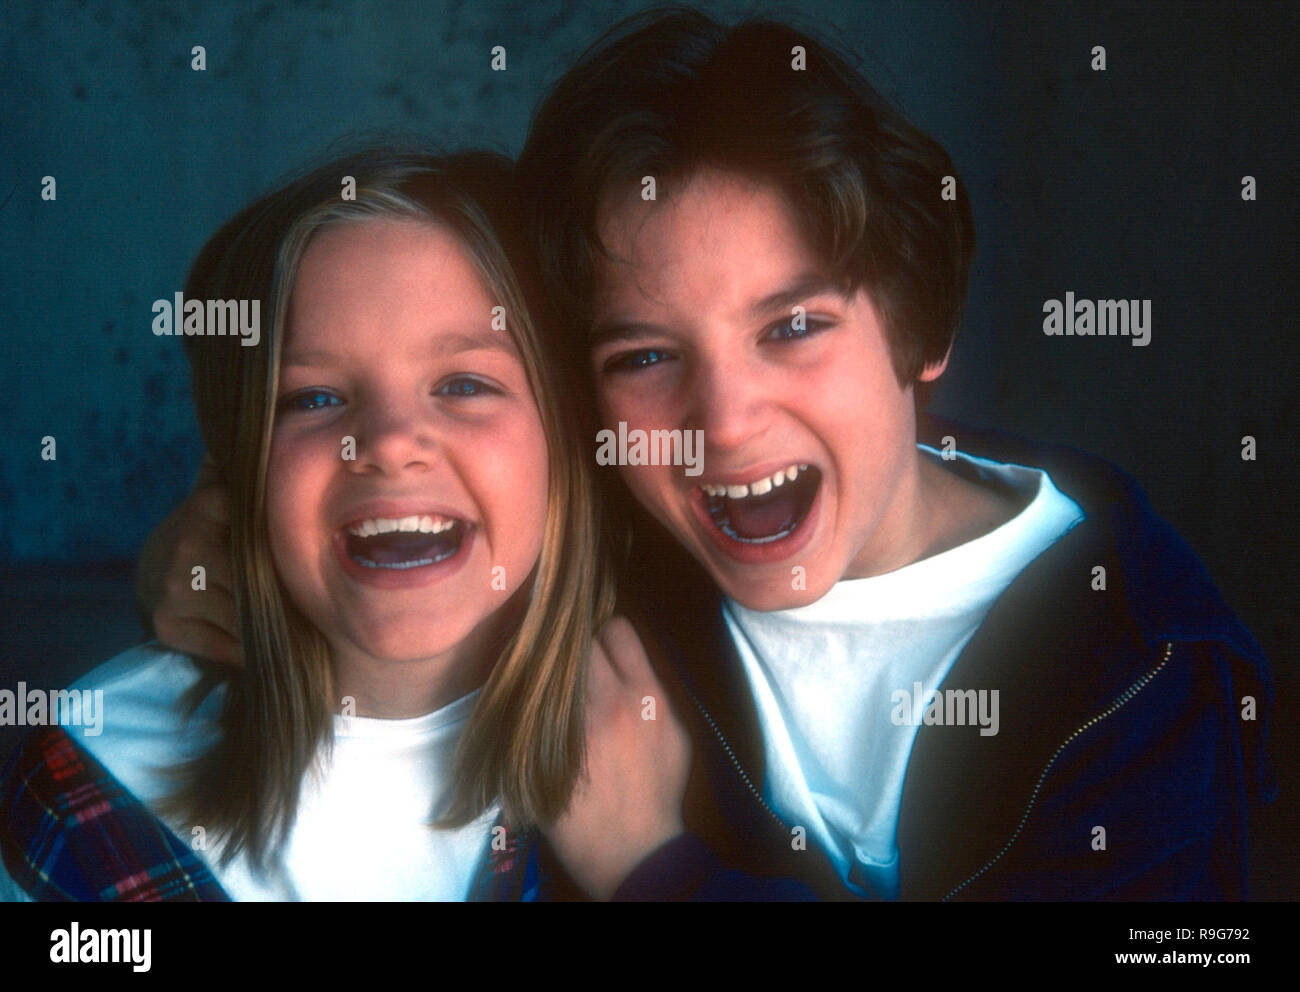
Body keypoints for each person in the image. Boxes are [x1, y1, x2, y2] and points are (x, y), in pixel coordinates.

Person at [134, 10, 1278, 900]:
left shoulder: (1151, 679)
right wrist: (215, 535)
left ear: (920, 328)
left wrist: (653, 866)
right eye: (644, 354)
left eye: (792, 327)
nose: (722, 420)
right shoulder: (612, 544)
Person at [0, 148, 691, 901]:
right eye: (314, 398)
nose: (390, 442)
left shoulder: (686, 736)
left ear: (570, 438)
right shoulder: (95, 792)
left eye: (464, 384)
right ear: (235, 470)